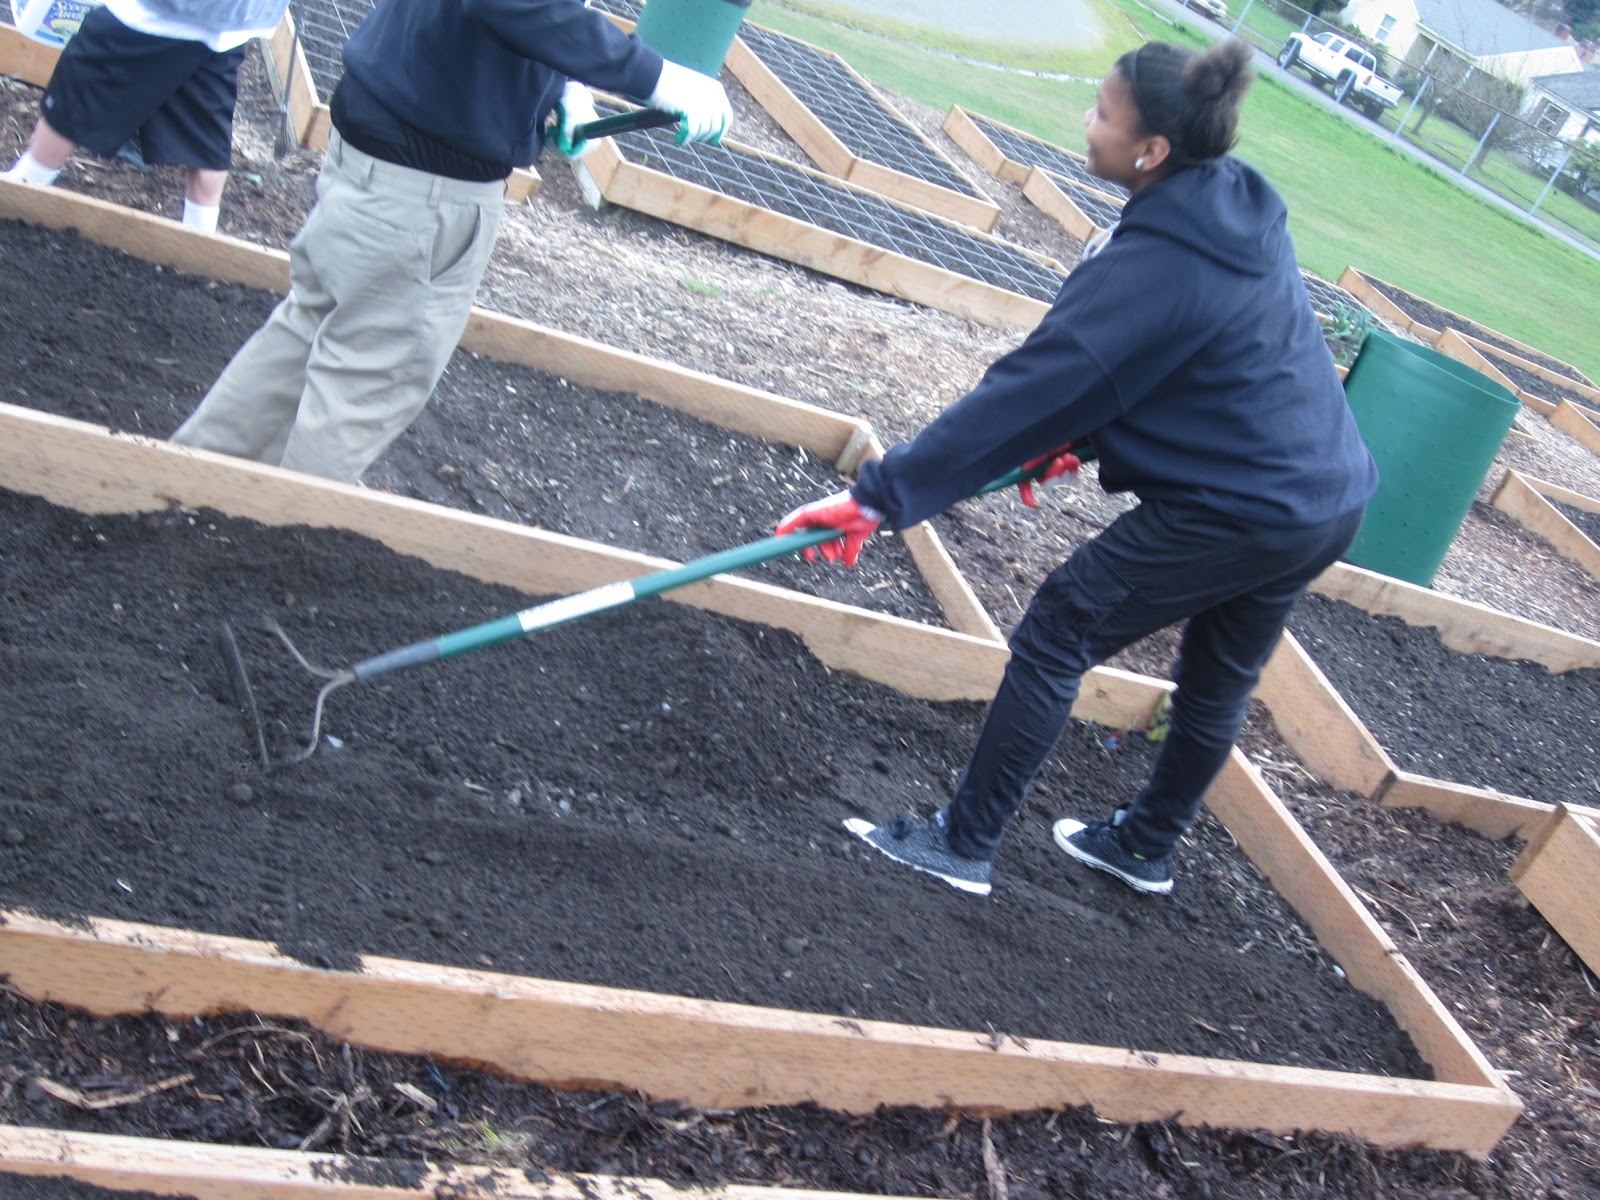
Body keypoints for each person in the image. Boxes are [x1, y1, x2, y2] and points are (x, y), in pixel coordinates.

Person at [774, 39, 1378, 899]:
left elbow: (1035, 387)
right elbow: (1199, 371)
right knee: (1214, 683)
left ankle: (962, 844)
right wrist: (1078, 441)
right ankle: (1143, 847)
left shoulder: (1160, 261)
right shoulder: (1234, 207)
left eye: (1102, 110)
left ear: (1152, 150)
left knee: (1063, 626)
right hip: (1324, 497)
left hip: (1242, 507)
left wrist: (880, 495)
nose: (1085, 122)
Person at [167, 0, 731, 484]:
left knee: (305, 331)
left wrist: (560, 84)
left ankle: (174, 485)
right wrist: (657, 77)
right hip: (424, 194)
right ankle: (275, 545)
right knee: (364, 386)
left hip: (375, 155)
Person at [2, 0, 291, 233]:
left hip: (168, 9)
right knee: (206, 123)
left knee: (81, 80)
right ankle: (199, 241)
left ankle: (25, 184)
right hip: (239, 16)